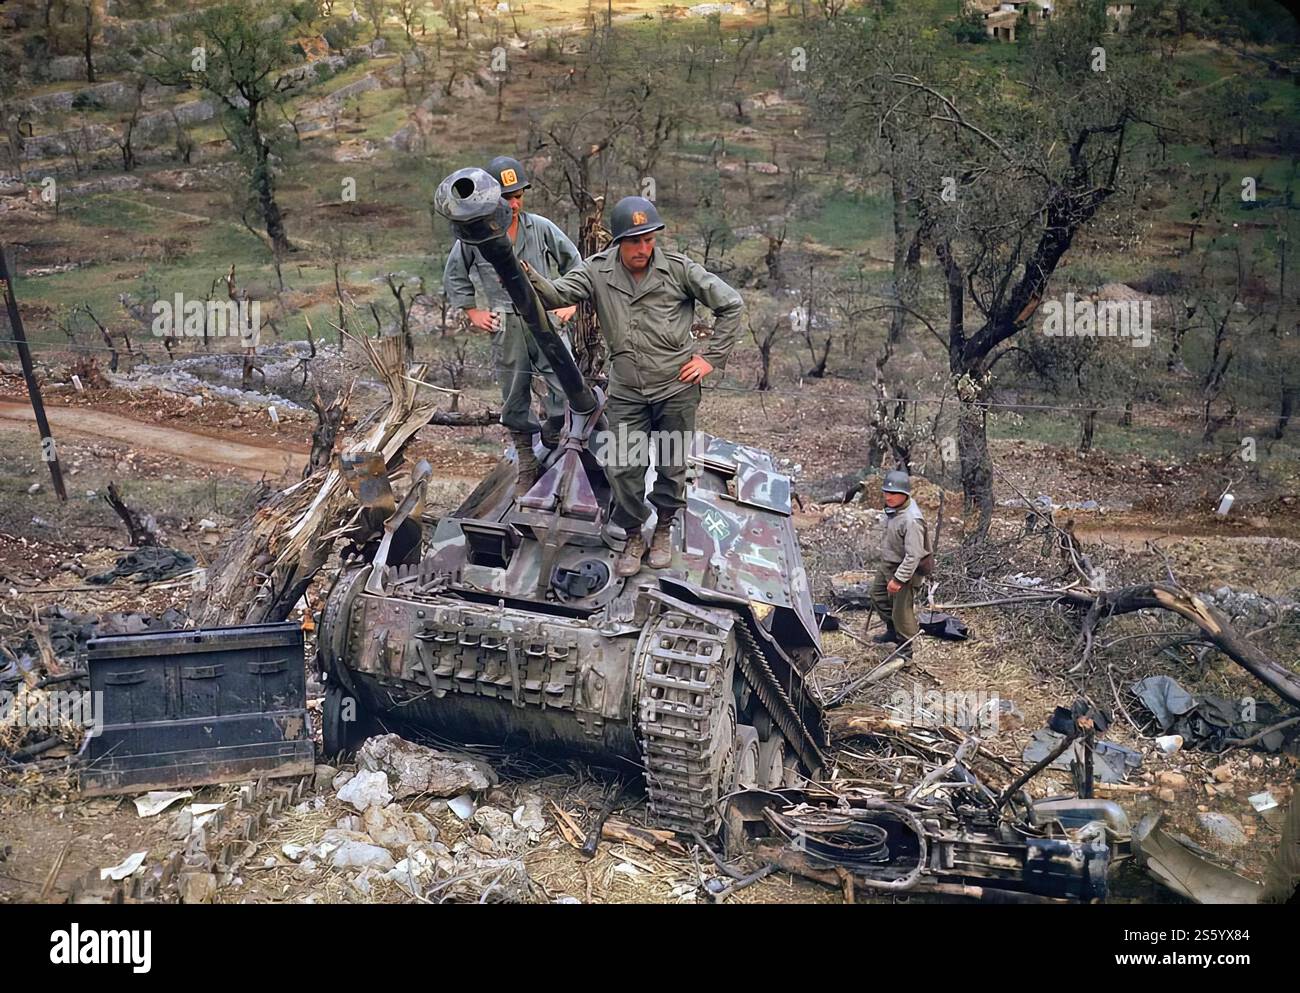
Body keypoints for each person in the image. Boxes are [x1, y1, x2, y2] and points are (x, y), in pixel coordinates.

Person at [524, 195, 743, 576]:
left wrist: (710, 359)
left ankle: (663, 528)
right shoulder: (597, 270)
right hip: (626, 391)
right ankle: (633, 534)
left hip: (675, 387)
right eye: (634, 241)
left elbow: (731, 304)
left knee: (672, 464)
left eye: (649, 239)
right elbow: (558, 294)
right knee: (623, 467)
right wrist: (524, 274)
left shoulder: (678, 270)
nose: (643, 248)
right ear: (619, 242)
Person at [442, 155, 581, 493]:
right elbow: (455, 275)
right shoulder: (474, 238)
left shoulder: (542, 227)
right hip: (506, 324)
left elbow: (574, 262)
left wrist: (570, 301)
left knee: (567, 384)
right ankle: (526, 461)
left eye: (518, 195)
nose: (514, 203)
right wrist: (472, 311)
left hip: (546, 316)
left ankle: (554, 429)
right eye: (506, 197)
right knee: (514, 395)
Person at [868, 470, 931, 660]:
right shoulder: (895, 508)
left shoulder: (912, 520)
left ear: (904, 494)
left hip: (904, 570)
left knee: (901, 612)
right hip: (889, 563)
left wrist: (899, 579)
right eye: (886, 492)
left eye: (892, 493)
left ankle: (905, 649)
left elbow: (913, 556)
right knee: (877, 596)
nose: (888, 497)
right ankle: (892, 631)